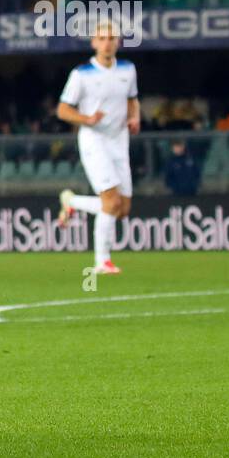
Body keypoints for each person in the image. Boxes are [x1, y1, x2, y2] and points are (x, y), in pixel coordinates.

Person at [57, 20, 140, 275]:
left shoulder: (128, 69)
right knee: (111, 201)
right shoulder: (81, 74)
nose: (107, 43)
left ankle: (72, 202)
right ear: (94, 42)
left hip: (119, 140)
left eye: (112, 38)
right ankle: (102, 261)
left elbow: (132, 99)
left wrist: (135, 117)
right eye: (102, 38)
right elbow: (62, 110)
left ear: (118, 42)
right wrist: (87, 119)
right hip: (94, 140)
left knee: (122, 209)